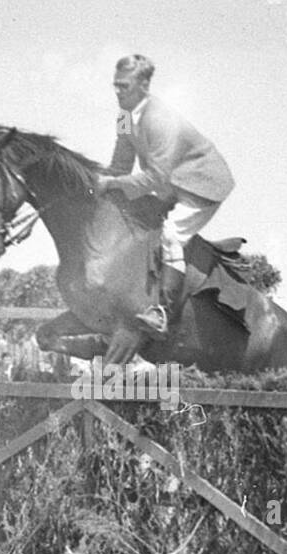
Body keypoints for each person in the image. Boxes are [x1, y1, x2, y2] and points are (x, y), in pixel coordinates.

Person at [96, 54, 235, 340]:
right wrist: (92, 181)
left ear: (144, 84)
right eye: (116, 86)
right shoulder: (124, 118)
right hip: (171, 184)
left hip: (202, 183)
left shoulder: (158, 118)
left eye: (125, 86)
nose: (118, 92)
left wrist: (111, 182)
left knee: (171, 235)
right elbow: (120, 167)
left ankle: (163, 314)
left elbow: (156, 177)